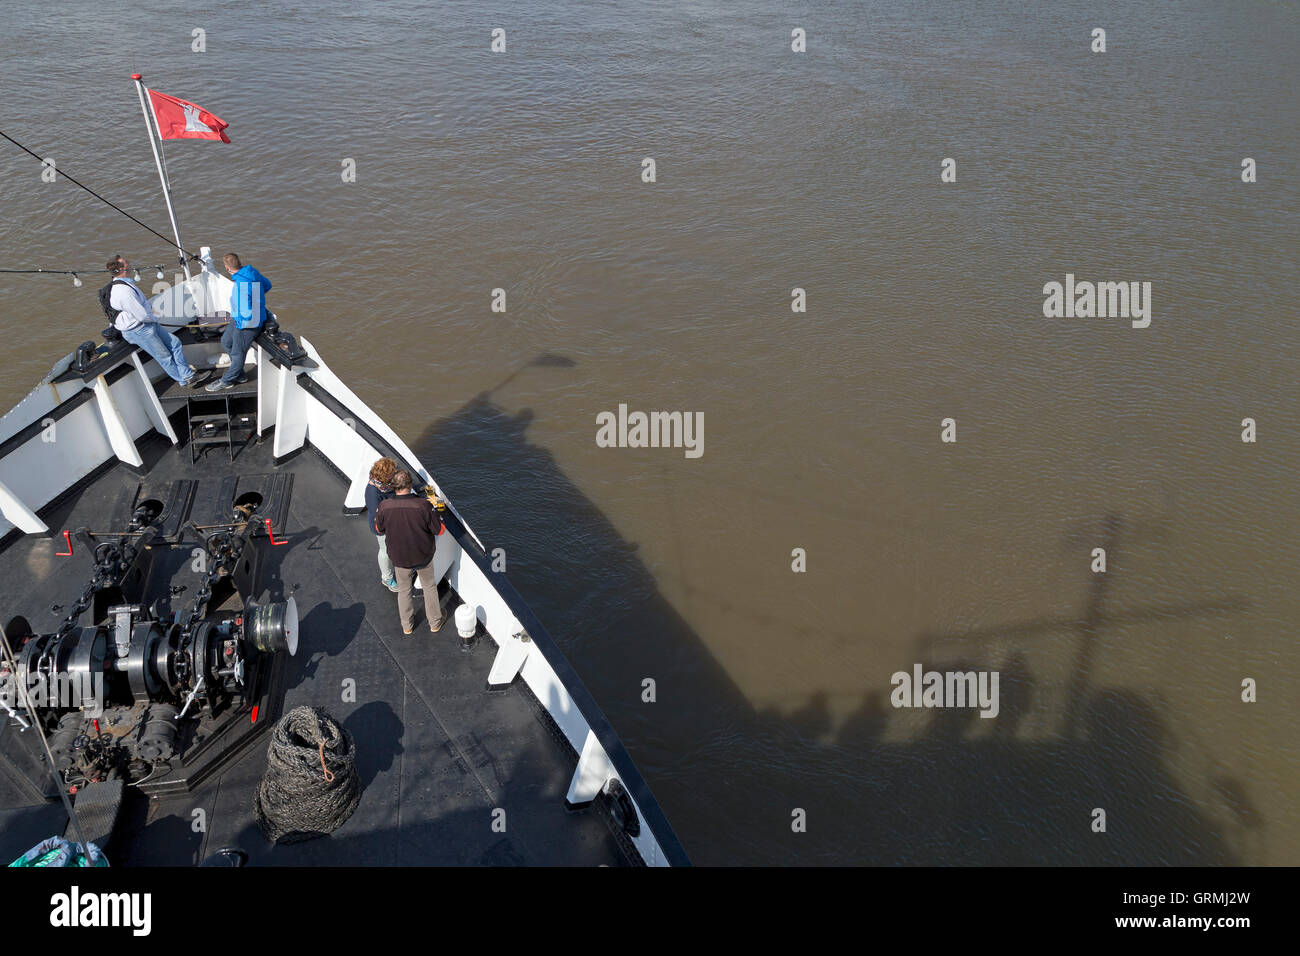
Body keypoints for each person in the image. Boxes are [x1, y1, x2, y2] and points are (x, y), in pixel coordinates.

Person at [104, 255, 210, 387]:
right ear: (122, 269)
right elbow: (141, 315)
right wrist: (154, 317)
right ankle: (185, 380)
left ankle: (187, 375)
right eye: (126, 263)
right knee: (164, 357)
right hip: (139, 330)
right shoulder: (123, 292)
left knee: (175, 344)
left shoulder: (125, 284)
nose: (130, 264)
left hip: (147, 325)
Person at [374, 469, 446, 635]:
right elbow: (440, 530)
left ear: (394, 487)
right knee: (428, 587)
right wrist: (439, 512)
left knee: (404, 590)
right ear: (410, 485)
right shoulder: (423, 505)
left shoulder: (384, 506)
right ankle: (435, 622)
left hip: (399, 557)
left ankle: (407, 626)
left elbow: (379, 528)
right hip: (422, 555)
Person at [206, 252, 271, 392]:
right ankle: (239, 374)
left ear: (227, 268)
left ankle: (226, 380)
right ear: (239, 263)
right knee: (226, 342)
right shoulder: (251, 272)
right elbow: (267, 285)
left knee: (237, 353)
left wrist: (242, 321)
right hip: (240, 319)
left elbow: (245, 311)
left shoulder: (240, 286)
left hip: (247, 324)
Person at [365, 457, 398, 592]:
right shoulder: (373, 492)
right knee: (384, 550)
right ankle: (387, 578)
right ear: (385, 476)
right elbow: (377, 515)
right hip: (382, 526)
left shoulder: (386, 486)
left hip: (393, 522)